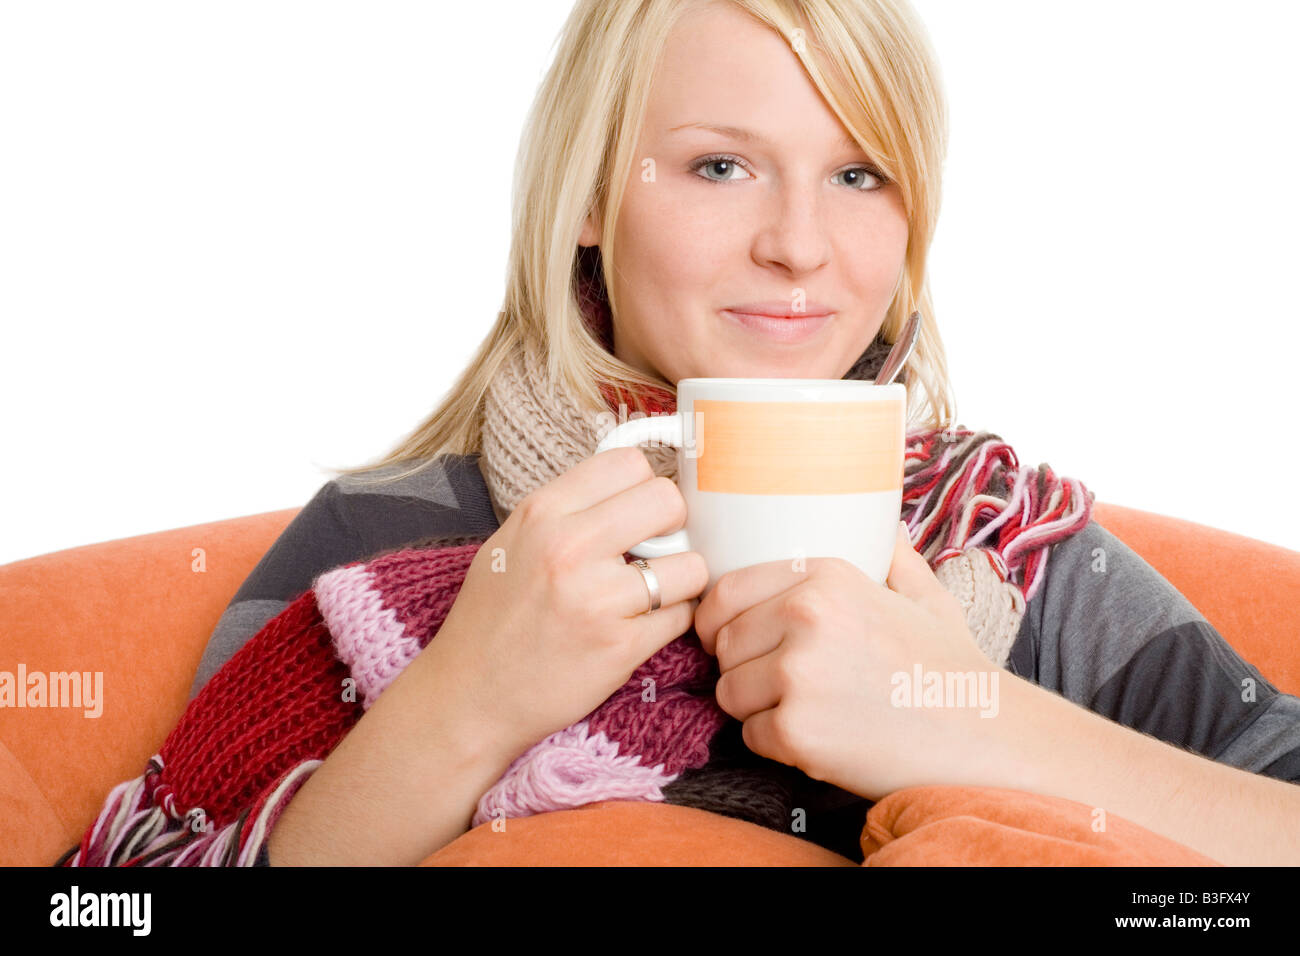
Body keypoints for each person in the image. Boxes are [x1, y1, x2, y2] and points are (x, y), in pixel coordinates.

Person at [99, 0, 1300, 867]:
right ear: (583, 200)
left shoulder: (1003, 547)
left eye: (860, 175)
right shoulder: (390, 533)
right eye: (721, 165)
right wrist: (464, 700)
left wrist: (973, 719)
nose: (798, 244)